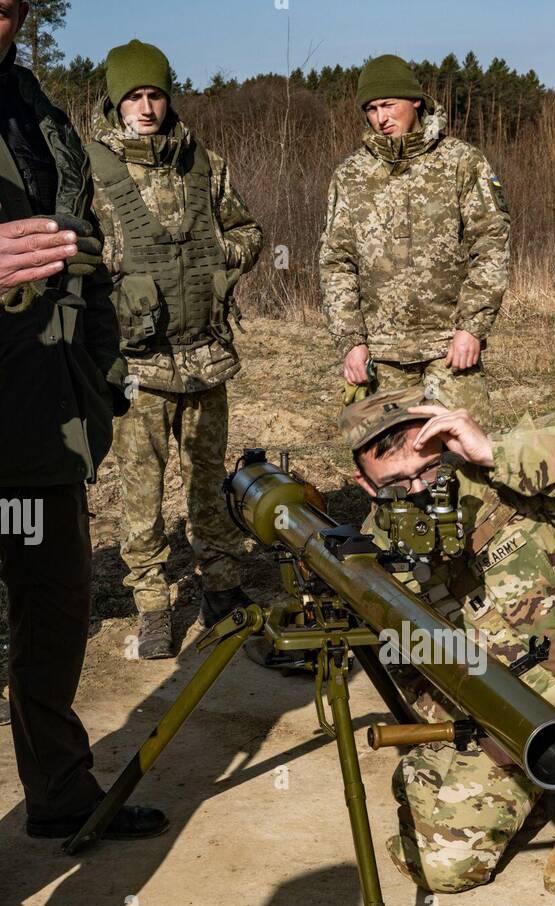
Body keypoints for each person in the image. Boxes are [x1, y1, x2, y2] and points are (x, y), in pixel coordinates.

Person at [340, 390, 555, 896]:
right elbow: (408, 669)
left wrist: (496, 454)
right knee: (445, 868)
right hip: (499, 717)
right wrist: (471, 727)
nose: (419, 490)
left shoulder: (512, 465)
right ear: (364, 484)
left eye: (430, 471)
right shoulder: (373, 560)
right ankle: (508, 787)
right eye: (396, 484)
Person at [0, 1, 165, 842]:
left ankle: (60, 791)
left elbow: (81, 250)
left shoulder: (36, 108)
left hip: (43, 428)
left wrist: (102, 380)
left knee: (54, 623)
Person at [87, 40, 264, 659]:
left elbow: (248, 231)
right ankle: (153, 605)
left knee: (208, 485)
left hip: (206, 358)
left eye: (154, 93)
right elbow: (75, 250)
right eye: (133, 96)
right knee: (141, 492)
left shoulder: (205, 164)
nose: (145, 106)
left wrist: (222, 264)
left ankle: (221, 587)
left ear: (168, 97)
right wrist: (121, 269)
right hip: (138, 365)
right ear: (117, 102)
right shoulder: (96, 171)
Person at [320, 54, 510, 430]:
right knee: (396, 473)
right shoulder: (351, 175)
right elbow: (336, 261)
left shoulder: (460, 162)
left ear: (416, 101)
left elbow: (490, 243)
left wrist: (471, 327)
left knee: (469, 466)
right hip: (382, 353)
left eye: (389, 105)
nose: (381, 118)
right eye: (371, 109)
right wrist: (351, 341)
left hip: (449, 348)